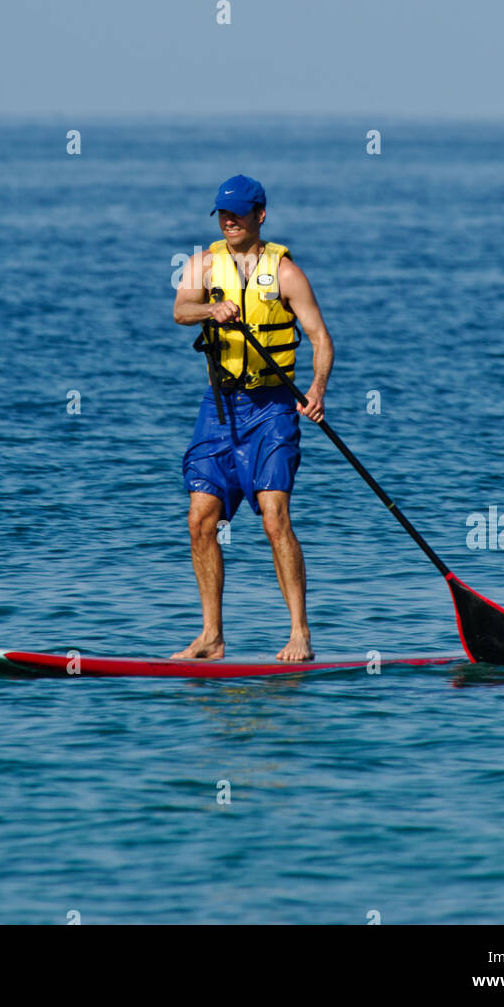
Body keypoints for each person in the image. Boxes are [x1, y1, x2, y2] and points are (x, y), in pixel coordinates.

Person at [172, 175, 334, 662]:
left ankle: (299, 633)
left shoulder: (286, 273)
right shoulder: (203, 265)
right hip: (220, 408)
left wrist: (316, 390)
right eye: (223, 214)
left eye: (238, 213)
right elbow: (180, 310)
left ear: (259, 215)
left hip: (272, 410)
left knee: (273, 517)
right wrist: (210, 308)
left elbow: (321, 339)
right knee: (200, 519)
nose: (229, 220)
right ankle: (211, 637)